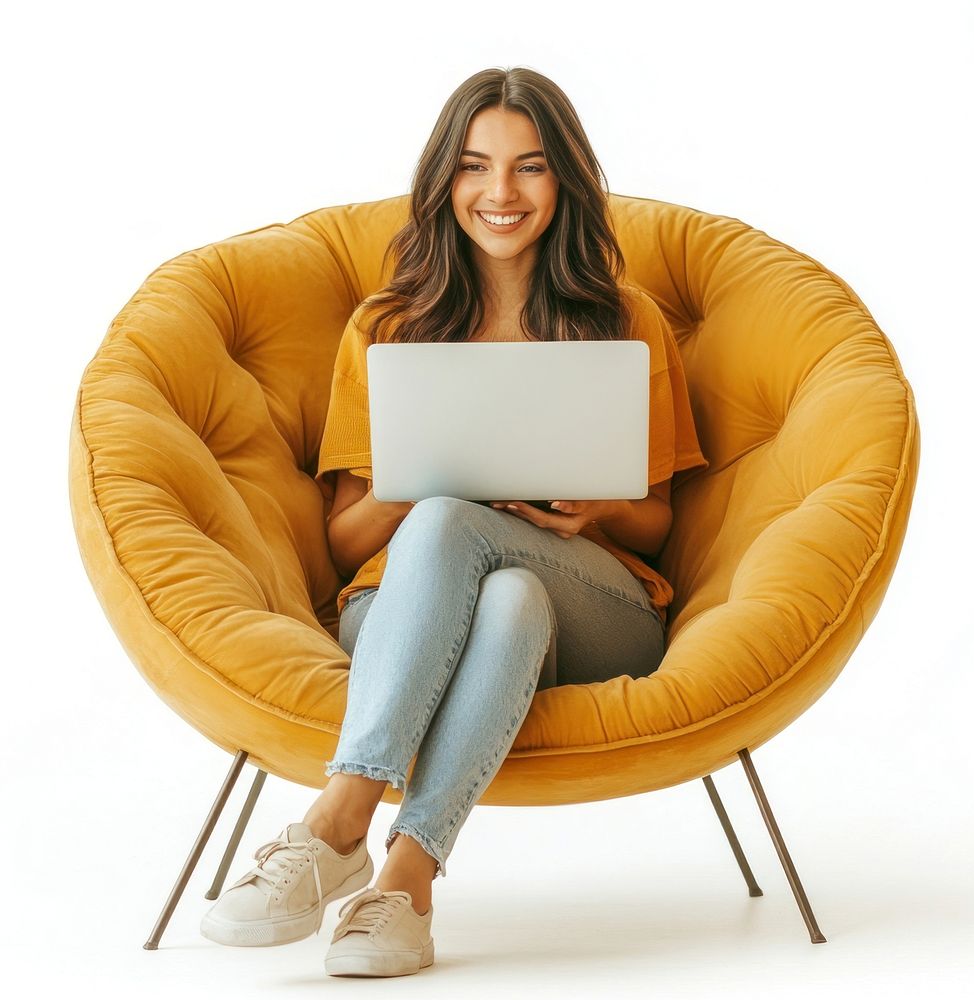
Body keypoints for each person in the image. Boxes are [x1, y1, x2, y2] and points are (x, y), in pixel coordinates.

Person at [200, 65, 708, 978]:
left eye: (531, 167)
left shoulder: (625, 322)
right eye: (475, 168)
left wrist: (599, 509)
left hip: (595, 607)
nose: (500, 193)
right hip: (407, 606)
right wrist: (407, 491)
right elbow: (347, 543)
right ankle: (407, 881)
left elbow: (659, 525)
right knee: (500, 591)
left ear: (567, 181)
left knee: (489, 551)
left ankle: (338, 819)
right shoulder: (388, 327)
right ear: (446, 182)